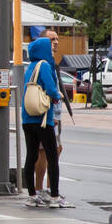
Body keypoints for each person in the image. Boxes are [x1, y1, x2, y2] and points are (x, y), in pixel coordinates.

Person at [21, 34, 68, 208]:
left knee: (31, 155)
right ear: (43, 50)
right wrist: (58, 96)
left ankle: (32, 195)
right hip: (43, 119)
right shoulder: (45, 66)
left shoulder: (30, 67)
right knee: (52, 156)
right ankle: (55, 196)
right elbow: (50, 88)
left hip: (27, 118)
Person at [33, 29, 64, 196]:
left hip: (46, 114)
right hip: (47, 114)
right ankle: (44, 190)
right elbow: (52, 90)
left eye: (57, 38)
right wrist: (55, 115)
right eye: (52, 39)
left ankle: (42, 190)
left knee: (50, 151)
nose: (56, 42)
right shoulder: (45, 63)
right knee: (46, 152)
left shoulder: (45, 61)